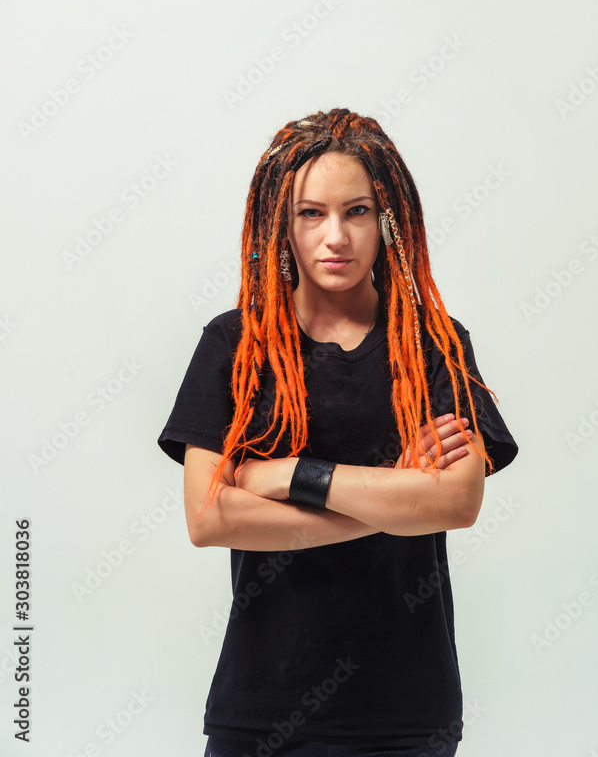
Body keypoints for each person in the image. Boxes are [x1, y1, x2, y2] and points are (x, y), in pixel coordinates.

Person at [157, 107, 518, 757]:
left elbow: (455, 503)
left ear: (386, 220)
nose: (336, 237)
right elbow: (208, 516)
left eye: (356, 211)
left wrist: (291, 476)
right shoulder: (235, 345)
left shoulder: (433, 346)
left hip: (406, 714)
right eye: (310, 213)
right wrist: (393, 501)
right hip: (260, 709)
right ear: (280, 223)